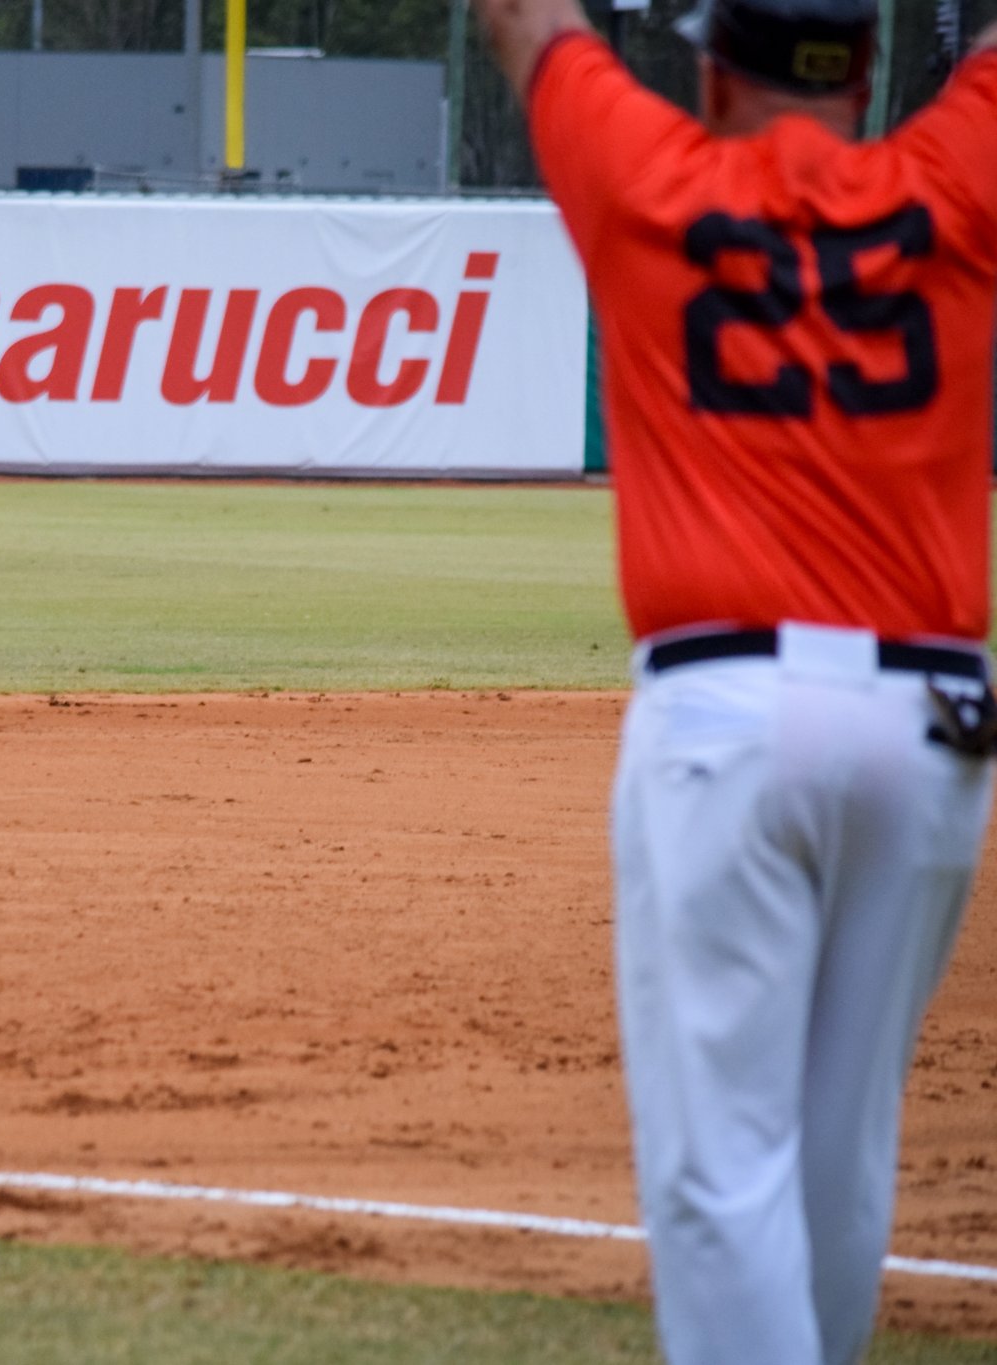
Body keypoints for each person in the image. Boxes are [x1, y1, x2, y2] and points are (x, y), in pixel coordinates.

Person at [464, 0, 997, 1359]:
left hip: (727, 713)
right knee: (841, 1149)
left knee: (723, 1165)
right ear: (865, 74)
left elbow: (525, 15)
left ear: (710, 73)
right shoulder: (952, 176)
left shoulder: (648, 172)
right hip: (931, 726)